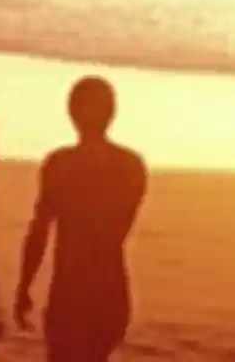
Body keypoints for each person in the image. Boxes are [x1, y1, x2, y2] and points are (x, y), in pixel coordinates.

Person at [13, 76, 147, 362]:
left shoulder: (59, 165)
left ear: (71, 113)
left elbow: (39, 231)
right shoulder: (131, 166)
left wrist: (24, 286)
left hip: (70, 291)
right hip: (110, 289)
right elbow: (119, 228)